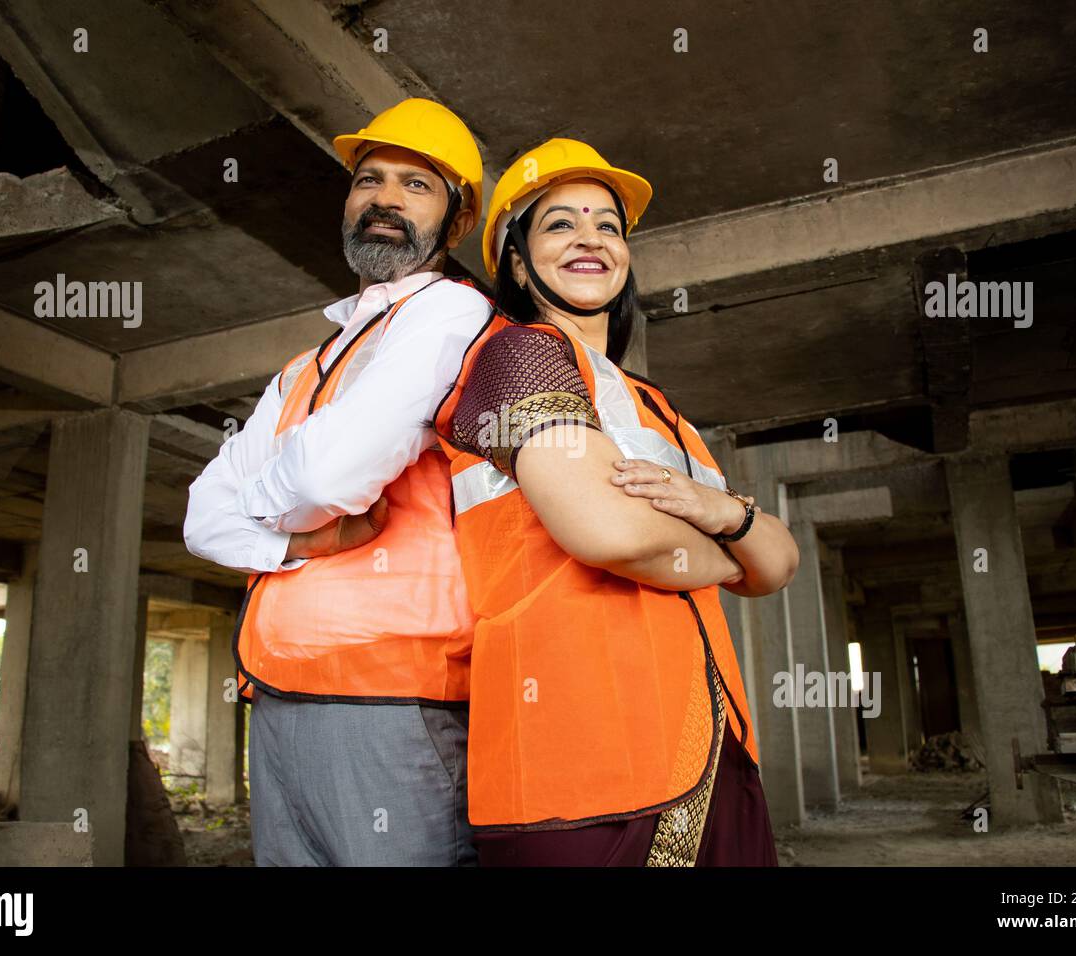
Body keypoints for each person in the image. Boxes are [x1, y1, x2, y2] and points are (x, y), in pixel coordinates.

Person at [432, 139, 800, 865]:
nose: (590, 239)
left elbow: (783, 564)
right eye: (559, 224)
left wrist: (725, 513)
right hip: (579, 762)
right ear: (515, 258)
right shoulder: (518, 356)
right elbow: (609, 533)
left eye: (607, 224)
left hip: (710, 739)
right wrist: (732, 547)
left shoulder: (659, 406)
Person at [183, 98, 492, 866]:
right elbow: (199, 519)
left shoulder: (448, 313)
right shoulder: (305, 366)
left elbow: (330, 470)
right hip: (277, 692)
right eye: (369, 180)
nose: (384, 198)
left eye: (416, 186)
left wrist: (262, 508)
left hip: (389, 698)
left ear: (455, 225)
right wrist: (305, 538)